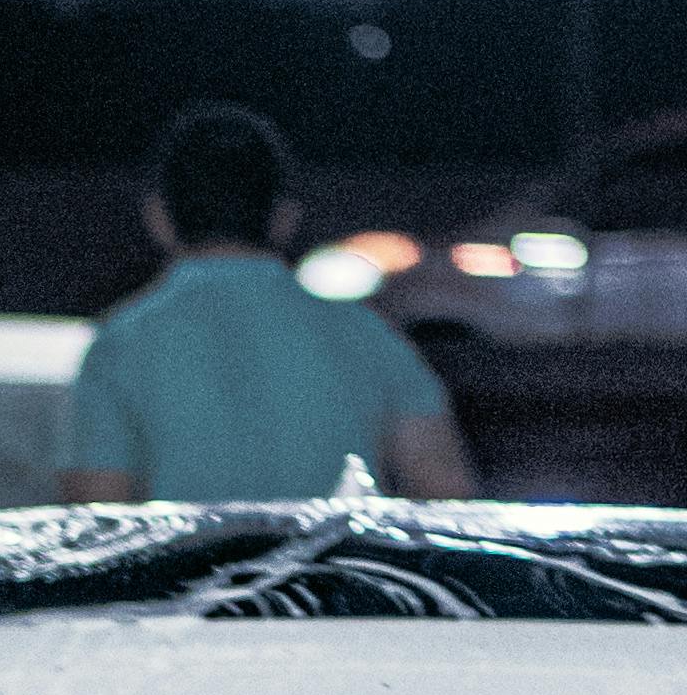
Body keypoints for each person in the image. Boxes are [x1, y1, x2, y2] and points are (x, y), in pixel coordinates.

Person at [57, 100, 472, 507]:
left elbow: (97, 513)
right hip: (325, 574)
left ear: (158, 217)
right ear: (284, 217)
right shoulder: (368, 334)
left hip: (197, 578)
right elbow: (446, 491)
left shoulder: (119, 343)